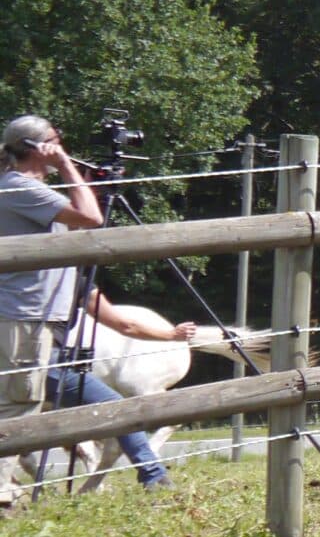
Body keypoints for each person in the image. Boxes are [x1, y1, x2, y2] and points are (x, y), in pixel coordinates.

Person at [0, 114, 195, 499]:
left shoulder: (32, 197)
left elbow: (81, 229)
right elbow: (92, 218)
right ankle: (3, 494)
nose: (63, 148)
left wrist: (83, 185)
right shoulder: (19, 187)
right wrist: (68, 167)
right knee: (19, 407)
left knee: (99, 404)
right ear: (37, 147)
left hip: (43, 328)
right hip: (25, 320)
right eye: (57, 141)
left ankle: (153, 477)